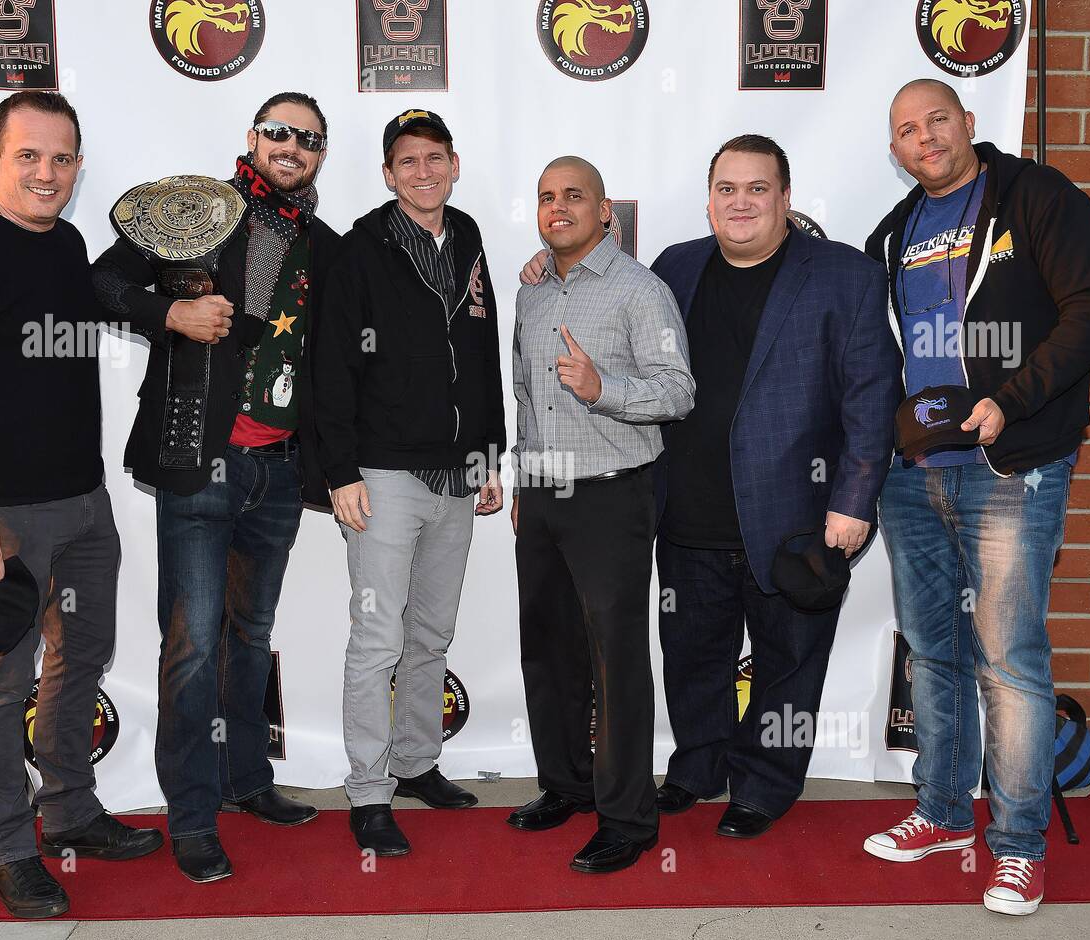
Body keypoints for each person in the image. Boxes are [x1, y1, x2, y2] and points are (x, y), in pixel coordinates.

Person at [861, 79, 1090, 916]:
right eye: (907, 129)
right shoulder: (893, 233)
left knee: (1009, 663)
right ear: (895, 148)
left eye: (937, 119)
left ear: (969, 123)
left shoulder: (1036, 197)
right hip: (915, 476)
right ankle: (942, 813)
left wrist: (1011, 398)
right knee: (933, 654)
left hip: (1010, 468)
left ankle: (1017, 846)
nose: (925, 137)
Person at [0, 91, 162, 919]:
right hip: (3, 515)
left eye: (61, 158)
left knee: (80, 659)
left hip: (84, 500)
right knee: (1, 685)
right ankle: (9, 846)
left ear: (78, 166)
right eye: (29, 156)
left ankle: (72, 811)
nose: (47, 173)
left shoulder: (71, 243)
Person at [92, 92, 340, 883]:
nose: (291, 146)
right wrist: (172, 312)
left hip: (277, 470)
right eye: (279, 132)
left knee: (247, 634)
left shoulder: (325, 245)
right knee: (193, 644)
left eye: (308, 138)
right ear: (253, 138)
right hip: (200, 462)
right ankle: (192, 817)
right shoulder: (198, 209)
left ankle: (248, 781)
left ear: (321, 154)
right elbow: (101, 282)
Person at [647, 135, 900, 837]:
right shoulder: (676, 266)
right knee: (694, 654)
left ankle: (765, 784)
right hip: (689, 511)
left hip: (798, 518)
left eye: (757, 188)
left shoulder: (844, 276)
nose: (741, 202)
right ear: (709, 200)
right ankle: (699, 766)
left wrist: (853, 500)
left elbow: (872, 398)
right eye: (727, 188)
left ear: (786, 198)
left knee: (788, 665)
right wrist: (552, 268)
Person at [312, 110, 506, 857]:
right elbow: (333, 366)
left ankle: (419, 761)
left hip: (458, 472)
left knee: (430, 634)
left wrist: (489, 452)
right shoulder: (361, 248)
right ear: (389, 174)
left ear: (454, 164)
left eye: (436, 159)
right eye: (408, 163)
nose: (424, 172)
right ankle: (368, 789)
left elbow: (481, 349)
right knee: (377, 639)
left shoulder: (469, 236)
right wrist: (340, 473)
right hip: (383, 475)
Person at [509, 156, 695, 874]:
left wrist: (602, 387)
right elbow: (524, 395)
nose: (558, 208)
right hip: (544, 492)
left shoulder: (639, 290)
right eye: (546, 196)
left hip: (613, 494)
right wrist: (524, 476)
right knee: (549, 650)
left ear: (604, 209)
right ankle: (565, 784)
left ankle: (628, 818)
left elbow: (678, 391)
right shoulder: (531, 294)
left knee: (615, 662)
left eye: (573, 196)